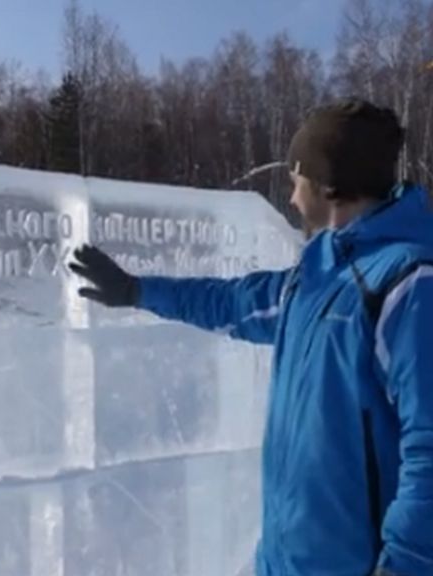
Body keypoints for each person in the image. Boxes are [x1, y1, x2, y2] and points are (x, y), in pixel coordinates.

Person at [70, 98, 433, 576]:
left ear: (328, 185)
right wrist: (137, 290)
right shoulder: (316, 274)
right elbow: (233, 302)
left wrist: (406, 565)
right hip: (282, 562)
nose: (291, 197)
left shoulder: (408, 285)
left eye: (296, 179)